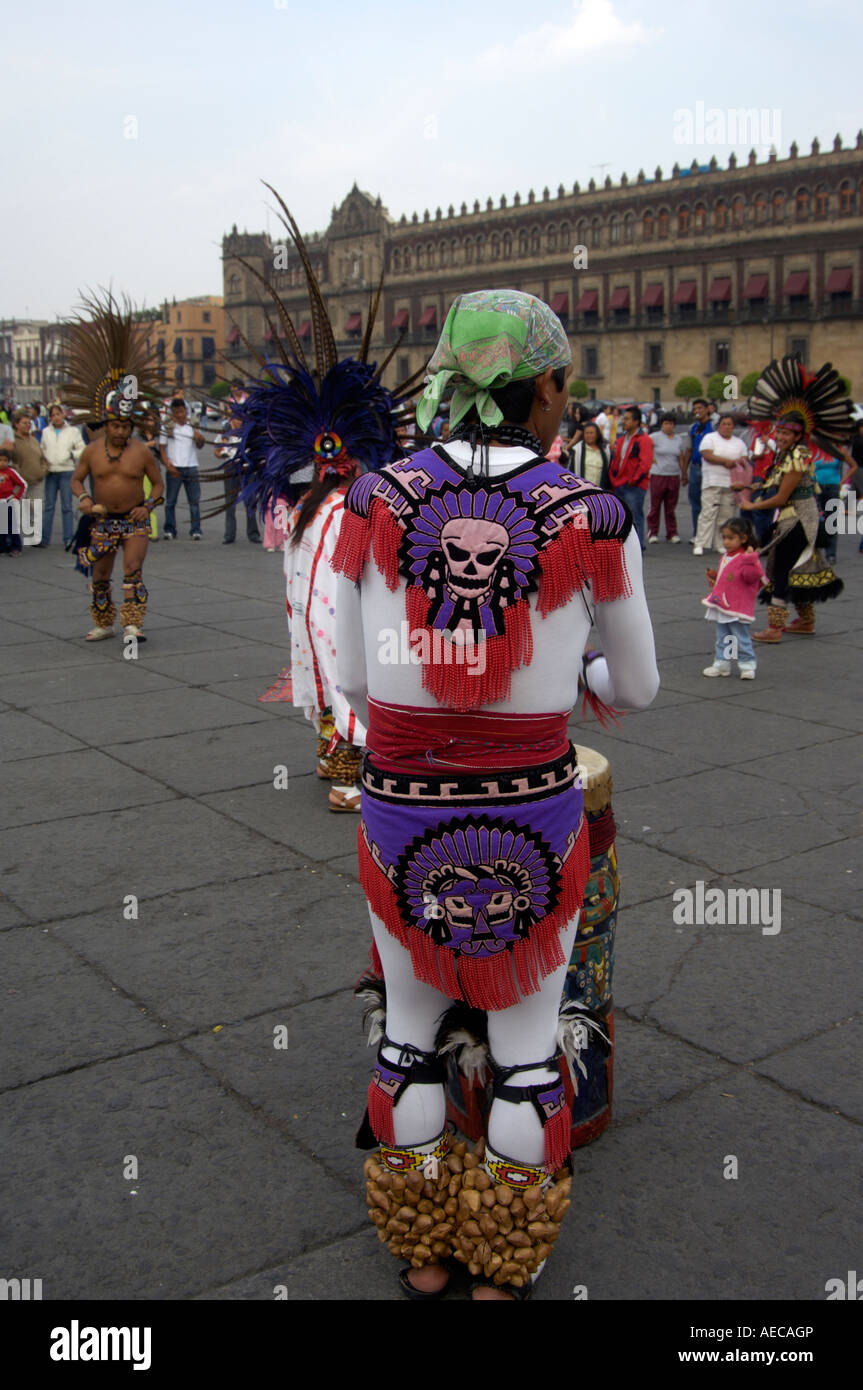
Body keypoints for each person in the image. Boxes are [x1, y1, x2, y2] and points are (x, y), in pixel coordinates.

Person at [333, 289, 659, 1300]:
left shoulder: (372, 499)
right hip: (529, 813)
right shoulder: (589, 511)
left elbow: (351, 682)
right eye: (563, 385)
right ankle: (501, 1269)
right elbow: (637, 687)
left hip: (400, 814)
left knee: (406, 1030)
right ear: (544, 386)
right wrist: (577, 675)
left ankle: (422, 1254)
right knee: (525, 1046)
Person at [62, 289, 164, 641]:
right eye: (115, 426)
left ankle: (133, 623)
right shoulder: (91, 451)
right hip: (102, 520)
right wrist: (85, 500)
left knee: (133, 570)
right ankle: (103, 623)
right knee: (101, 575)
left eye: (126, 426)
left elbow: (160, 484)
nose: (121, 431)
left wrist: (148, 505)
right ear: (105, 424)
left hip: (134, 520)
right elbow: (77, 481)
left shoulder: (141, 452)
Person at [742, 357, 850, 641]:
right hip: (798, 517)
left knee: (780, 567)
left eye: (786, 432)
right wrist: (752, 485)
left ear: (798, 434)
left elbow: (780, 498)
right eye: (778, 430)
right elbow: (773, 484)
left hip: (798, 518)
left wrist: (752, 506)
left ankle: (775, 627)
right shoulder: (786, 454)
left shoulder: (798, 455)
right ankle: (805, 620)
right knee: (799, 565)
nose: (780, 435)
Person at [701, 517, 767, 679]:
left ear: (743, 538)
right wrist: (716, 578)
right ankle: (722, 663)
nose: (726, 542)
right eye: (724, 538)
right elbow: (729, 578)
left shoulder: (747, 558)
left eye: (731, 538)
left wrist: (751, 560)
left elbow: (752, 577)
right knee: (724, 637)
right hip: (724, 603)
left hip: (737, 605)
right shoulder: (727, 556)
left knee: (741, 637)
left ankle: (747, 664)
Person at [692, 415, 748, 555]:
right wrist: (725, 461)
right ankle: (700, 543)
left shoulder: (739, 442)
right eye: (724, 424)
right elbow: (707, 455)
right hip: (712, 482)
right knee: (708, 514)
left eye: (730, 424)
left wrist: (734, 462)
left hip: (731, 484)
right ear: (719, 425)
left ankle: (721, 543)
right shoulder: (710, 438)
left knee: (726, 515)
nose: (727, 427)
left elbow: (744, 459)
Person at [40, 403, 85, 547]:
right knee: (49, 506)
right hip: (51, 472)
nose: (56, 417)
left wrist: (71, 454)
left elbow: (82, 449)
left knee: (67, 506)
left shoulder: (73, 431)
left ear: (63, 414)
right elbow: (42, 448)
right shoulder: (46, 431)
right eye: (52, 415)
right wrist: (44, 461)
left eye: (58, 414)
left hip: (67, 470)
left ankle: (68, 537)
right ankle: (44, 539)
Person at [608, 405, 652, 549]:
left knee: (635, 516)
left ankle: (638, 546)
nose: (624, 422)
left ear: (636, 421)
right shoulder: (621, 439)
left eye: (627, 419)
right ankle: (626, 545)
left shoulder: (644, 440)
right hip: (619, 483)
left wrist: (633, 480)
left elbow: (644, 464)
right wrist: (613, 478)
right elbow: (616, 461)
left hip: (634, 485)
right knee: (622, 516)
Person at [160, 399, 206, 539]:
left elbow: (200, 445)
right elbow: (162, 448)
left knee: (194, 501)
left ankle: (196, 530)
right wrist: (168, 464)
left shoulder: (193, 425)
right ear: (172, 412)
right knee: (170, 501)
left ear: (185, 411)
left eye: (181, 411)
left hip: (191, 465)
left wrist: (200, 438)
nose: (179, 415)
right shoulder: (167, 426)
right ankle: (170, 529)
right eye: (176, 412)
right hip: (174, 466)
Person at [2, 409, 46, 546]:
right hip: (19, 481)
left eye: (29, 423)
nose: (28, 425)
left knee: (35, 509)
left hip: (36, 479)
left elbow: (41, 456)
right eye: (24, 423)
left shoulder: (33, 439)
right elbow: (7, 459)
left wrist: (43, 469)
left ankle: (33, 539)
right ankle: (10, 540)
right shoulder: (12, 440)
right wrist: (17, 469)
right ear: (16, 424)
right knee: (14, 511)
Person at [217, 415, 261, 544]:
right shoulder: (226, 431)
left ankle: (253, 533)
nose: (239, 421)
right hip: (231, 469)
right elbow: (217, 451)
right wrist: (221, 454)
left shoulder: (249, 433)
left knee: (251, 500)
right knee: (230, 502)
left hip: (247, 469)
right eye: (237, 418)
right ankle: (229, 534)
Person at [647, 414, 683, 543]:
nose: (669, 426)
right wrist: (651, 458)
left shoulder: (678, 439)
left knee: (670, 507)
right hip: (658, 474)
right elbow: (645, 447)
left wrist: (684, 473)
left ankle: (672, 533)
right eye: (666, 423)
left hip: (673, 475)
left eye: (671, 424)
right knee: (655, 506)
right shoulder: (654, 437)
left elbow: (680, 456)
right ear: (662, 425)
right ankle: (653, 532)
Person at [684, 398, 712, 540]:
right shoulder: (693, 428)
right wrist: (684, 471)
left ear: (707, 409)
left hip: (710, 468)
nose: (697, 411)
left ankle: (710, 535)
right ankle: (697, 534)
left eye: (700, 408)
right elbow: (688, 450)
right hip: (695, 468)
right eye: (695, 409)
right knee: (695, 503)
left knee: (710, 503)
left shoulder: (714, 427)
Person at [568, 418, 609, 487]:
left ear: (597, 435)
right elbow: (570, 470)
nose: (589, 435)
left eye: (591, 433)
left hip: (599, 490)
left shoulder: (605, 450)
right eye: (586, 433)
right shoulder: (577, 450)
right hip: (583, 490)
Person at [0, 453, 26, 555]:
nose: (2, 463)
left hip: (8, 501)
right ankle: (2, 547)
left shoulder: (11, 472)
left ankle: (16, 547)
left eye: (5, 461)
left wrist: (16, 497)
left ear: (8, 462)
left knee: (11, 526)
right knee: (2, 526)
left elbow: (22, 485)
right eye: (0, 460)